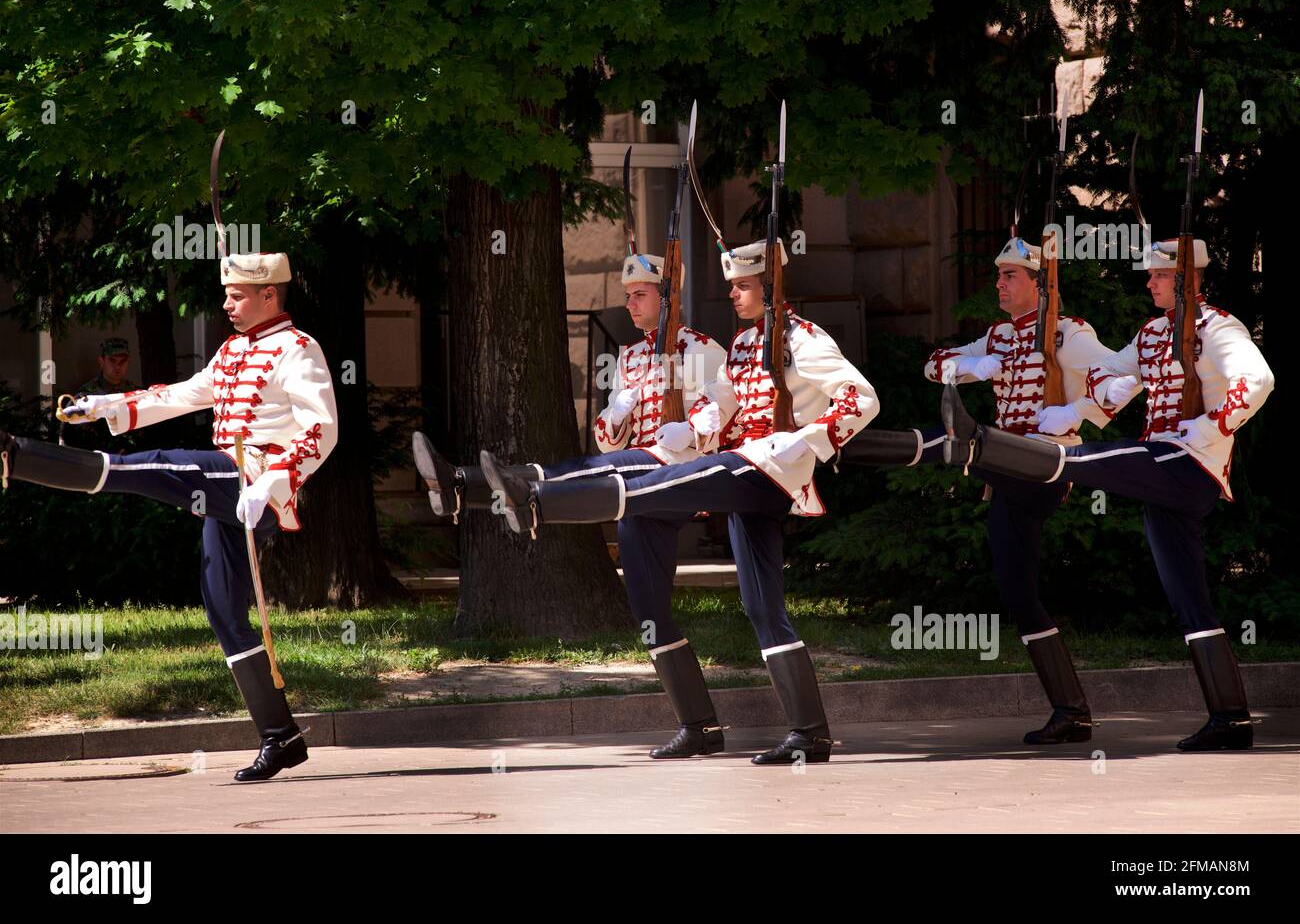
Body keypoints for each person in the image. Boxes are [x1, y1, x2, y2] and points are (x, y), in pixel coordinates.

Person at [478, 239, 879, 764]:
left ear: (771, 287)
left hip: (771, 469)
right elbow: (726, 406)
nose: (732, 293)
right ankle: (807, 734)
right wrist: (699, 425)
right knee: (763, 607)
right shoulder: (739, 345)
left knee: (655, 487)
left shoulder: (803, 338)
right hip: (742, 471)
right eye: (731, 284)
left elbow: (861, 399)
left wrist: (807, 440)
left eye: (742, 285)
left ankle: (537, 503)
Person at [0, 252, 337, 780]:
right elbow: (183, 395)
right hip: (232, 490)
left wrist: (275, 481)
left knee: (156, 468)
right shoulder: (232, 350)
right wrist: (108, 406)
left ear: (269, 294)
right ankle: (282, 736)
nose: (226, 303)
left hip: (255, 480)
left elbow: (322, 429)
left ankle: (16, 456)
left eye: (237, 295)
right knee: (224, 609)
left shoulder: (299, 350)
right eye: (226, 294)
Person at [939, 238, 1274, 751]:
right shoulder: (1153, 332)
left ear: (1185, 280)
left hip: (1191, 464)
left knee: (1097, 460)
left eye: (1159, 276)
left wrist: (1208, 428)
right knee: (1189, 601)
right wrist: (1089, 403)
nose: (1149, 282)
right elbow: (1111, 370)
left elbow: (1256, 381)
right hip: (1163, 472)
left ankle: (985, 445)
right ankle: (1231, 719)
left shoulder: (1218, 328)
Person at [413, 250, 729, 758]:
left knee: (584, 472)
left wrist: (691, 429)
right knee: (649, 611)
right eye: (628, 295)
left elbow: (726, 416)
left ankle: (470, 485)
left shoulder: (704, 351)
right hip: (630, 479)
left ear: (668, 296)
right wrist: (619, 408)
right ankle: (701, 727)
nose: (630, 303)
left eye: (640, 294)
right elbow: (607, 439)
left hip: (674, 477)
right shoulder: (629, 357)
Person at [840, 237, 1115, 744]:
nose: (1000, 283)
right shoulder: (999, 336)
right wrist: (969, 367)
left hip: (1047, 464)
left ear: (1039, 283)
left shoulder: (1068, 333)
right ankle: (1071, 711)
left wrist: (1075, 414)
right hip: (1007, 469)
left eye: (1011, 276)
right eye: (999, 275)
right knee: (1018, 592)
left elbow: (1121, 376)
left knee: (962, 445)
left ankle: (892, 445)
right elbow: (933, 364)